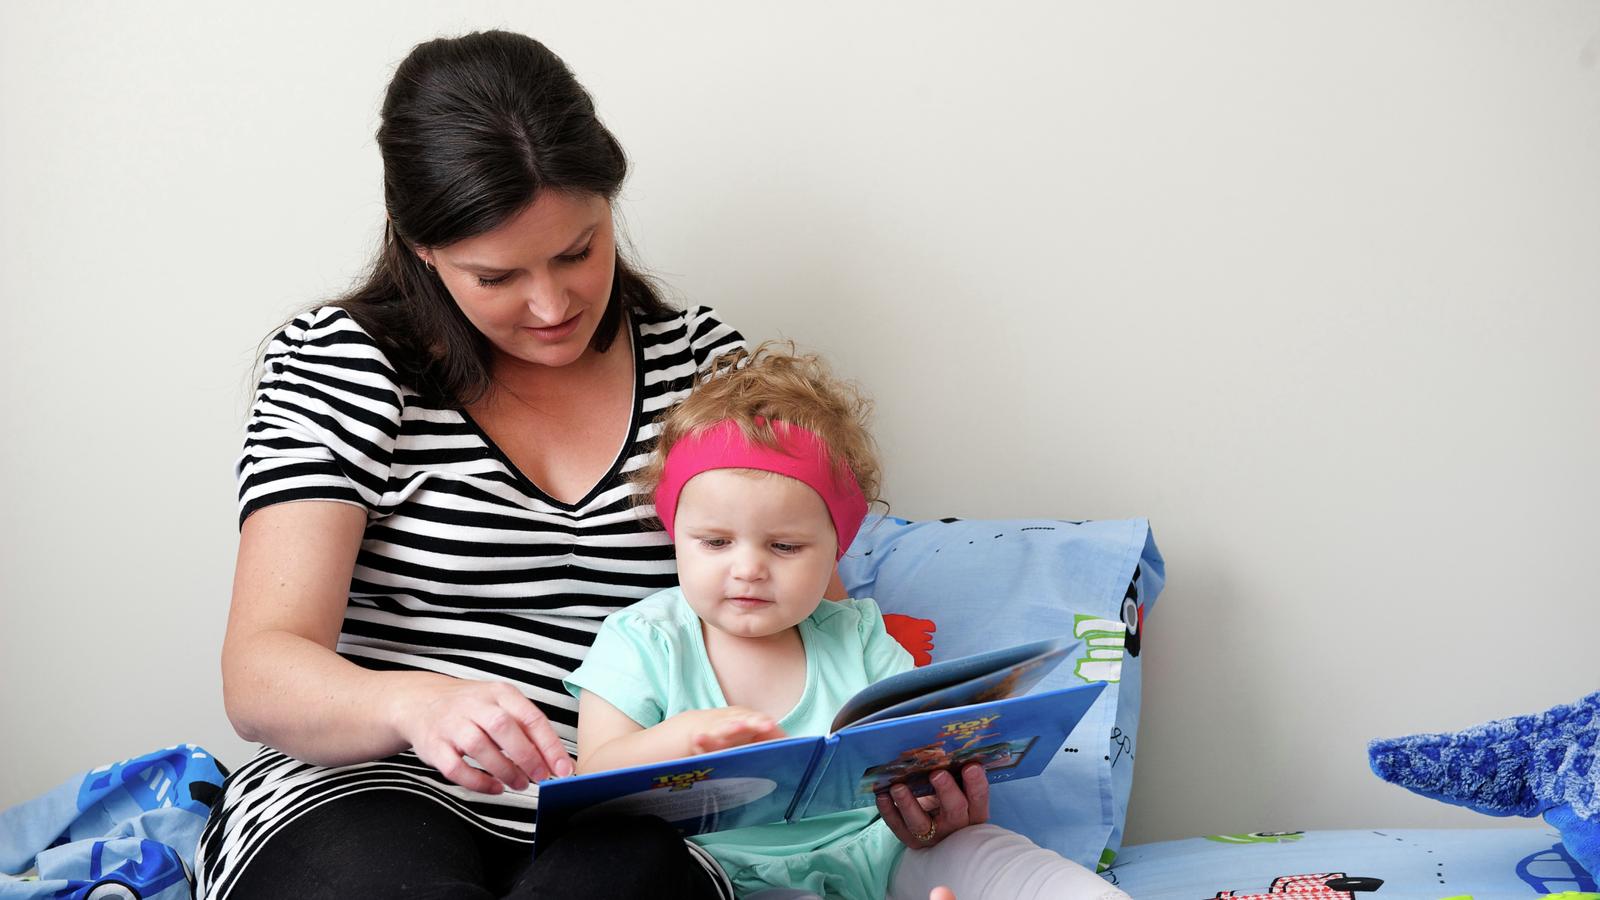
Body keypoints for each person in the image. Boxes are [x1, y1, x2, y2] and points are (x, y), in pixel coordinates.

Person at [200, 30, 750, 899]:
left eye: (578, 250)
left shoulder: (706, 368)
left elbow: (810, 635)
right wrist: (414, 705)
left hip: (624, 808)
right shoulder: (347, 361)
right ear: (421, 247)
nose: (552, 305)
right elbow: (261, 670)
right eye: (497, 276)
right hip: (371, 787)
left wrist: (889, 769)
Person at [566, 344, 1130, 900]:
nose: (748, 569)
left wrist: (936, 795)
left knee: (990, 852)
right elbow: (592, 780)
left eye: (785, 546)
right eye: (715, 542)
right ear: (676, 536)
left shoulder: (857, 634)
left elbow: (912, 748)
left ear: (837, 549)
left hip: (879, 853)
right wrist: (679, 739)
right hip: (721, 875)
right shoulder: (643, 639)